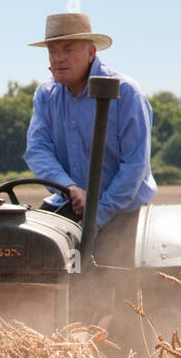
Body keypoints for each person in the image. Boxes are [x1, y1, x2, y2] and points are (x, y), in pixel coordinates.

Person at [24, 13, 156, 267]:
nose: (59, 58)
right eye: (52, 51)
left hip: (122, 209)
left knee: (113, 277)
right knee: (28, 255)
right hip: (67, 205)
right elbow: (37, 150)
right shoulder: (45, 95)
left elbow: (135, 165)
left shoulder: (126, 92)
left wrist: (98, 213)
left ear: (91, 53)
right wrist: (70, 188)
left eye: (68, 49)